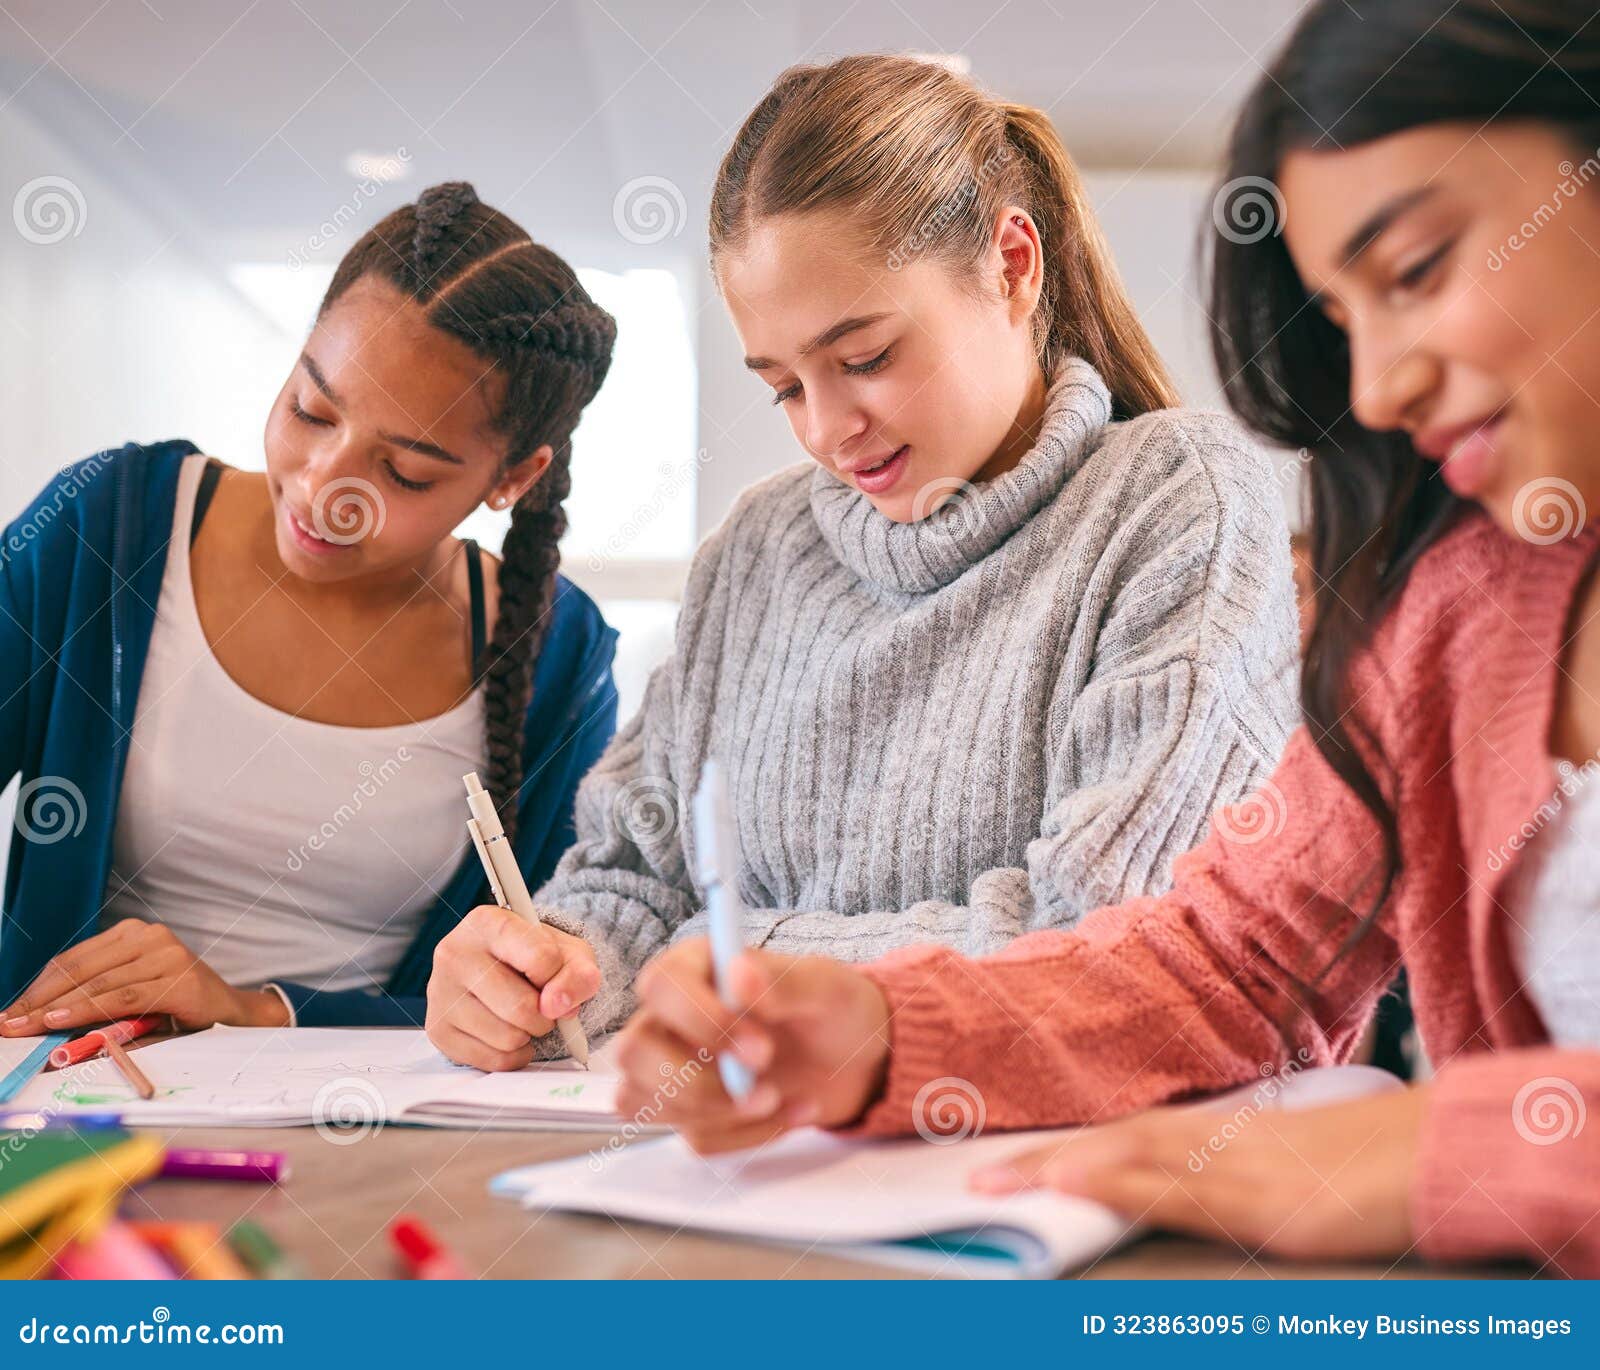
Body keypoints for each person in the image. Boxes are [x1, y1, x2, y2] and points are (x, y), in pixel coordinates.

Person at [609, 1, 1600, 1278]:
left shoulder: (1175, 499)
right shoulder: (1460, 613)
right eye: (1343, 318)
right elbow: (1228, 961)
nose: (1375, 388)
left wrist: (1457, 1149)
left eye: (1414, 270)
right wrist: (882, 1029)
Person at [424, 54, 1299, 1071]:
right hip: (747, 1138)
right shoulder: (757, 549)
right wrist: (547, 970)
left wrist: (738, 962)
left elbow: (1108, 944)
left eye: (866, 357)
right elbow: (637, 885)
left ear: (1014, 267)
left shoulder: (1179, 498)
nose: (827, 430)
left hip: (1052, 1156)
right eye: (785, 386)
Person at [0, 182, 618, 1031]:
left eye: (406, 472)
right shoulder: (107, 523)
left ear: (513, 478)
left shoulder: (560, 658)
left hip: (384, 1101)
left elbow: (553, 996)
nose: (325, 488)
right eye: (312, 409)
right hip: (73, 1085)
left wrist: (250, 1010)